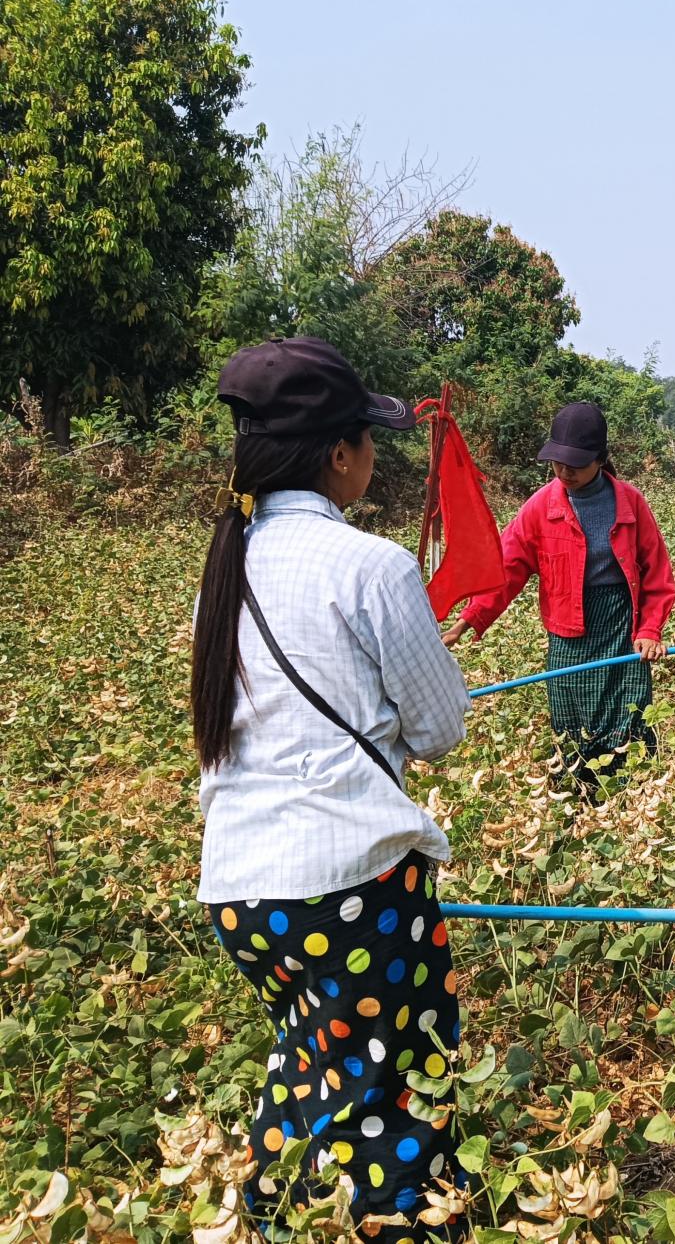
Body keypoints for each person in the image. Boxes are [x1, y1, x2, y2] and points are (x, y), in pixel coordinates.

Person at [192, 337, 471, 1242]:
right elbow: (440, 730)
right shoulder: (373, 567)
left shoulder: (225, 569)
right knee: (388, 1093)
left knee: (313, 1061)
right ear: (340, 454)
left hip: (241, 893)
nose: (375, 457)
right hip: (349, 891)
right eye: (368, 440)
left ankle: (275, 1214)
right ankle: (403, 1225)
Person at [444, 402, 675, 789]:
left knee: (628, 710)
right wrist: (469, 619)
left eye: (576, 464)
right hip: (568, 629)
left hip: (620, 623)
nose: (564, 471)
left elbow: (657, 574)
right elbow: (505, 571)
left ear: (601, 459)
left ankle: (634, 792)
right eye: (557, 462)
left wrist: (650, 629)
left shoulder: (630, 502)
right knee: (573, 719)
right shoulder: (540, 507)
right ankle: (581, 792)